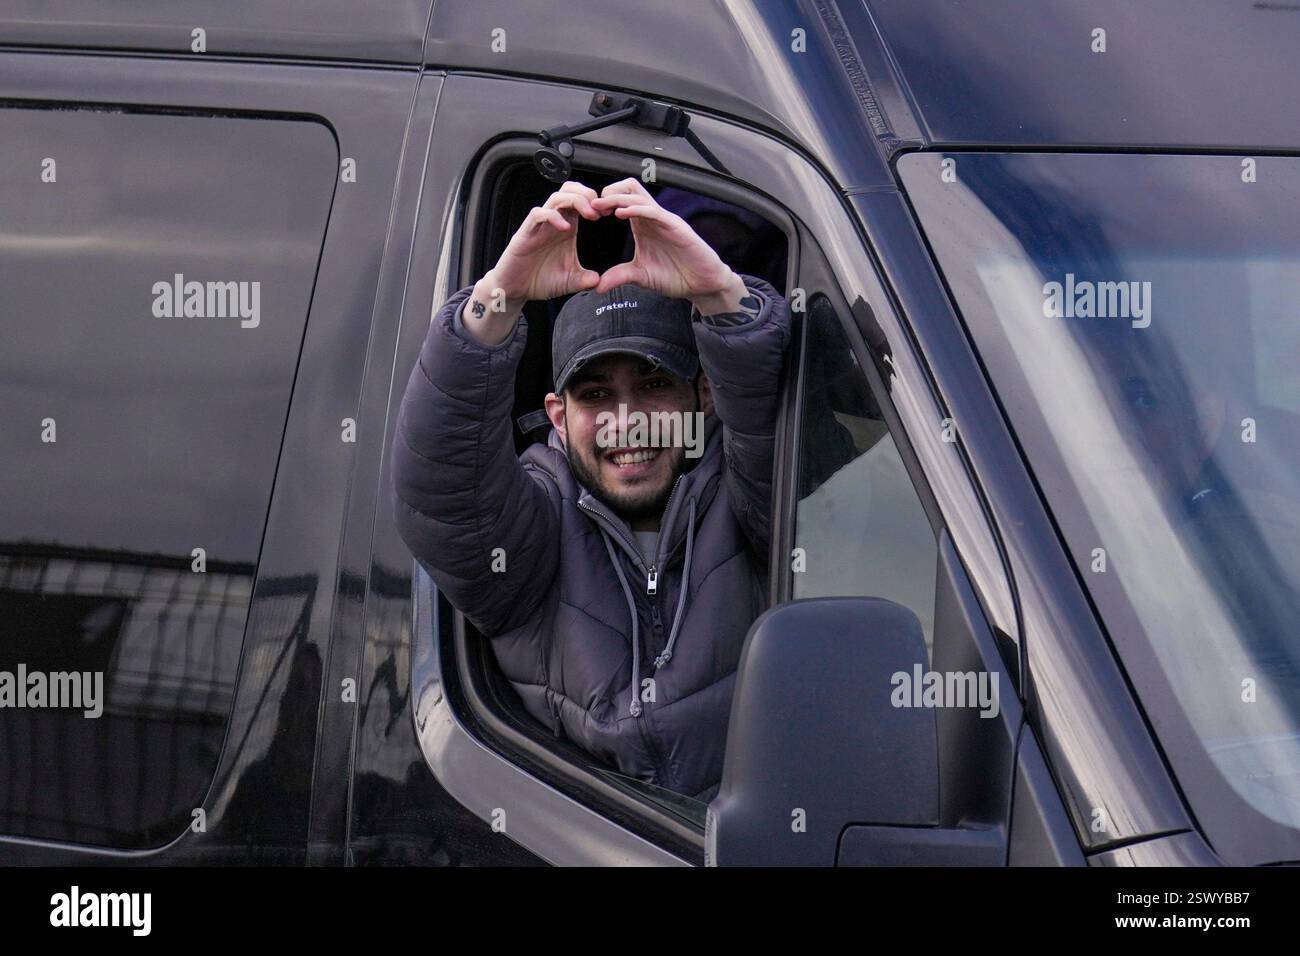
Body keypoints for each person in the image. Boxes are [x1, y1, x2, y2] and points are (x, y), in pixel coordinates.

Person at [390, 178, 790, 801]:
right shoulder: (535, 520)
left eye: (655, 384)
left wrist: (718, 294)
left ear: (703, 396)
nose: (626, 419)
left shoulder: (750, 496)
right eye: (595, 394)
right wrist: (502, 297)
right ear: (557, 415)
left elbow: (781, 439)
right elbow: (440, 491)